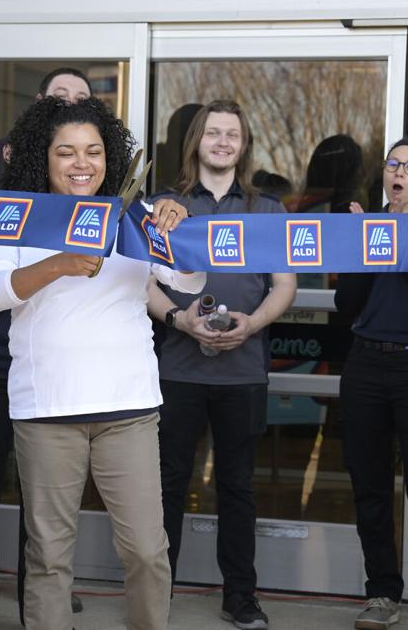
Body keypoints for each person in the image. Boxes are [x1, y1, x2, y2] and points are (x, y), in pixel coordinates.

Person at [0, 96, 202, 630]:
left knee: (148, 551)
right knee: (50, 558)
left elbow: (190, 283)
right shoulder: (14, 214)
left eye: (94, 152)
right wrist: (57, 264)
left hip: (128, 408)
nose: (82, 163)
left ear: (111, 158)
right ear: (43, 158)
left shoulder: (133, 215)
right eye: (66, 152)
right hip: (45, 409)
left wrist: (179, 231)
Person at [0, 67, 94, 630]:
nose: (69, 107)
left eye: (81, 101)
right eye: (59, 97)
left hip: (55, 370)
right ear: (38, 104)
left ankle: (43, 604)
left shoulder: (95, 185)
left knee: (47, 508)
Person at [145, 99, 295, 630]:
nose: (223, 141)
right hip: (178, 370)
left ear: (243, 143)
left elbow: (285, 285)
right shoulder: (163, 205)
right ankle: (154, 596)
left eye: (233, 134)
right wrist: (177, 320)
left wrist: (252, 325)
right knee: (166, 484)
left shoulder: (268, 210)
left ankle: (240, 597)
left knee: (237, 487)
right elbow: (143, 282)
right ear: (197, 142)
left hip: (243, 371)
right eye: (214, 133)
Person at [336, 138, 408, 630]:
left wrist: (400, 238)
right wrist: (365, 242)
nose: (398, 172)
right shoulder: (365, 227)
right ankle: (382, 594)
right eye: (392, 164)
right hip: (365, 365)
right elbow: (346, 306)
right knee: (371, 488)